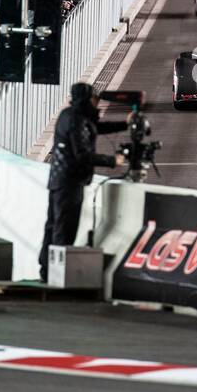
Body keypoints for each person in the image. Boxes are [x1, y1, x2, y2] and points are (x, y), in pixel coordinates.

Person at [39, 83, 130, 280]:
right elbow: (82, 154)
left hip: (59, 180)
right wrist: (113, 160)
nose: (96, 104)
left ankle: (46, 270)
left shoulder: (70, 115)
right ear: (86, 99)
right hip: (70, 182)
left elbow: (95, 128)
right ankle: (56, 276)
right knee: (64, 229)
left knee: (53, 225)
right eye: (94, 99)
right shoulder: (76, 119)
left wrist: (125, 124)